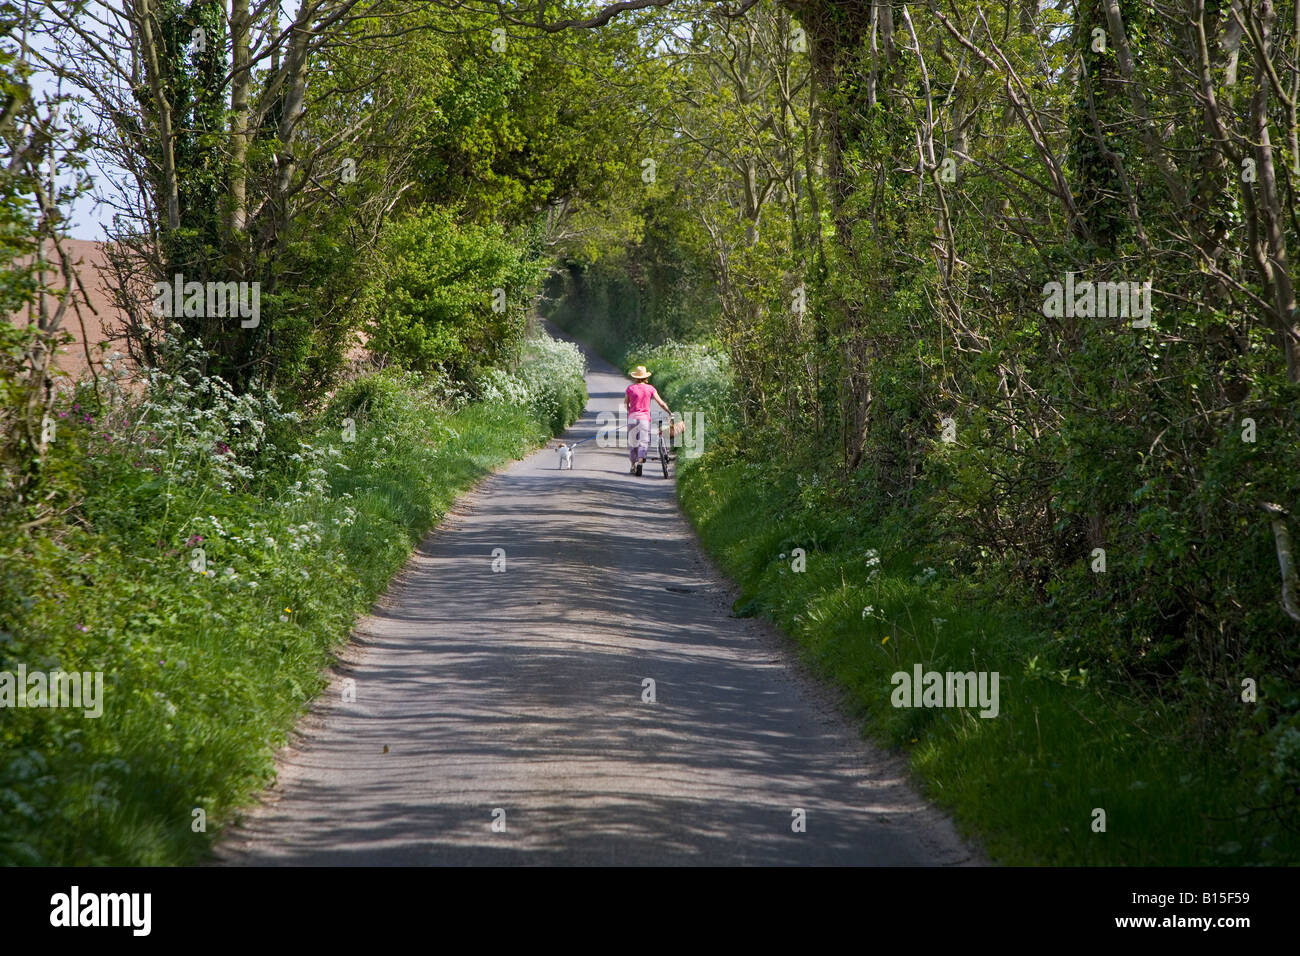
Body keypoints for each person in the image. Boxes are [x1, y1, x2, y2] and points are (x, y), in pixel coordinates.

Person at [624, 365, 670, 474]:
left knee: (633, 442)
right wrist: (669, 412)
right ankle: (640, 462)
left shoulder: (630, 388)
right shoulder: (650, 388)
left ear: (636, 377)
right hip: (644, 419)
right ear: (645, 377)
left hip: (632, 418)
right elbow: (661, 403)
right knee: (643, 442)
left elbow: (626, 404)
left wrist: (631, 412)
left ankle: (633, 465)